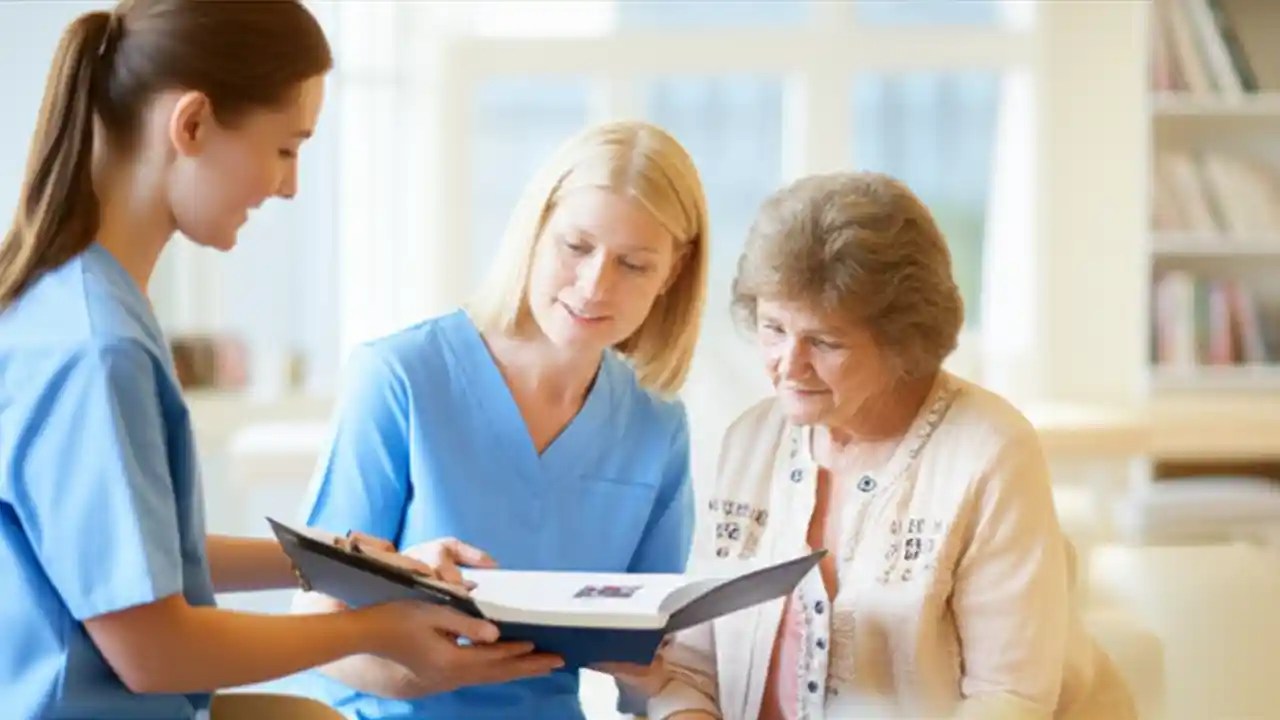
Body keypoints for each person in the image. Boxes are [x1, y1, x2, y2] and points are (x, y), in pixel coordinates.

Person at [0, 3, 560, 718]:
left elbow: (130, 557)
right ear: (192, 124)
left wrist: (343, 559)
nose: (289, 185)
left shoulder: (66, 300)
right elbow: (153, 652)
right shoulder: (97, 347)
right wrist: (375, 630)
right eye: (286, 148)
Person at [643, 172, 1138, 719]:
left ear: (903, 339)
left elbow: (1009, 698)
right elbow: (691, 668)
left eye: (824, 342)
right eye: (772, 328)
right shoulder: (749, 443)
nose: (788, 364)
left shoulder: (989, 452)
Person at [284, 119, 710, 719]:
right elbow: (313, 622)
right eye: (577, 247)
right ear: (537, 228)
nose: (594, 286)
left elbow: (642, 672)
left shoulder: (656, 428)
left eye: (634, 265)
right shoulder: (401, 376)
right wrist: (420, 677)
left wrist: (656, 681)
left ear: (673, 270)